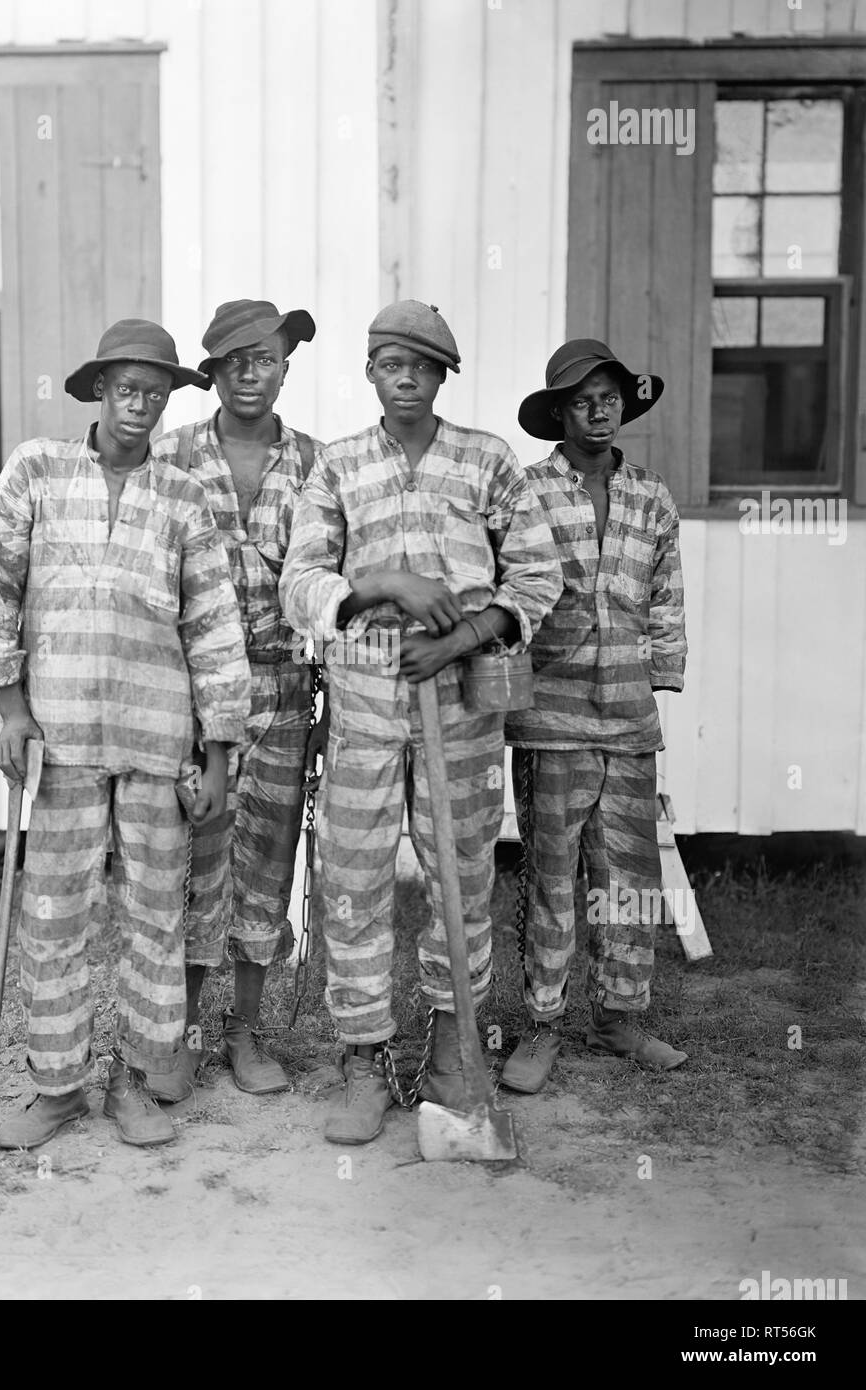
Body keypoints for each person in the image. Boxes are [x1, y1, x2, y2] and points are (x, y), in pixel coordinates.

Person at [280, 300, 562, 1145]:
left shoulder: (488, 461)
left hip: (463, 705)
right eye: (390, 363)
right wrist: (383, 586)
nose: (406, 378)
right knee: (355, 883)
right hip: (365, 706)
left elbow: (538, 576)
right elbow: (300, 581)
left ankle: (451, 1051)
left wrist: (466, 638)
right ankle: (364, 1060)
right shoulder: (337, 466)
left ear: (443, 377)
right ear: (369, 372)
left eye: (423, 366)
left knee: (461, 878)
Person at [0, 319, 251, 1149]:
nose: (141, 406)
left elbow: (215, 629)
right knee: (55, 915)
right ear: (97, 391)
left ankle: (134, 1080)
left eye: (156, 394)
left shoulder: (185, 498)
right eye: (127, 389)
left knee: (155, 912)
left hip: (158, 741)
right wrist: (12, 709)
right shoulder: (37, 471)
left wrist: (218, 752)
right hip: (58, 738)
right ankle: (57, 1089)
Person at [501, 338, 689, 1096]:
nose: (599, 410)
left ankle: (621, 1016)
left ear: (624, 406)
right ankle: (543, 1024)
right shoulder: (530, 493)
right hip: (551, 715)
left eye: (610, 397)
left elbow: (667, 594)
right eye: (582, 400)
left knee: (629, 876)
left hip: (629, 719)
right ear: (560, 414)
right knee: (551, 875)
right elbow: (508, 591)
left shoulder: (652, 496)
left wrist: (662, 674)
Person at [152, 299, 323, 1098]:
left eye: (268, 359)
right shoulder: (173, 456)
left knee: (265, 865)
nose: (253, 375)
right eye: (236, 362)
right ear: (212, 373)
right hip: (195, 695)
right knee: (196, 861)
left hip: (286, 686)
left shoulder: (321, 464)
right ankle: (179, 1034)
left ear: (286, 365)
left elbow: (334, 580)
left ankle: (245, 1036)